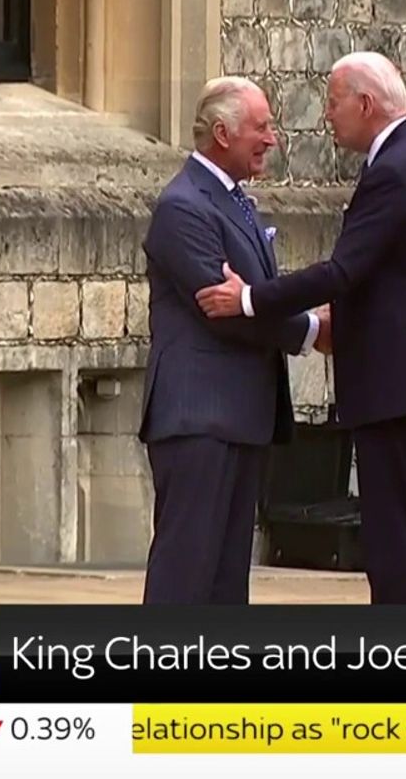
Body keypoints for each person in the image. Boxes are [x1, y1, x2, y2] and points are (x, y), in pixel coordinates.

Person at [193, 52, 406, 605]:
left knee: (389, 533)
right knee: (393, 526)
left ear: (365, 104)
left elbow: (344, 271)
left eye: (333, 102)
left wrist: (250, 299)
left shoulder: (396, 168)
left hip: (399, 382)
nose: (327, 116)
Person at [136, 76, 326, 605]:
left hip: (239, 417)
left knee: (225, 583)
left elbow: (253, 295)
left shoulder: (234, 200)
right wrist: (311, 330)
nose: (272, 139)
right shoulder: (184, 206)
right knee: (186, 573)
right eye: (261, 128)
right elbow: (224, 309)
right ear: (223, 133)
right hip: (200, 416)